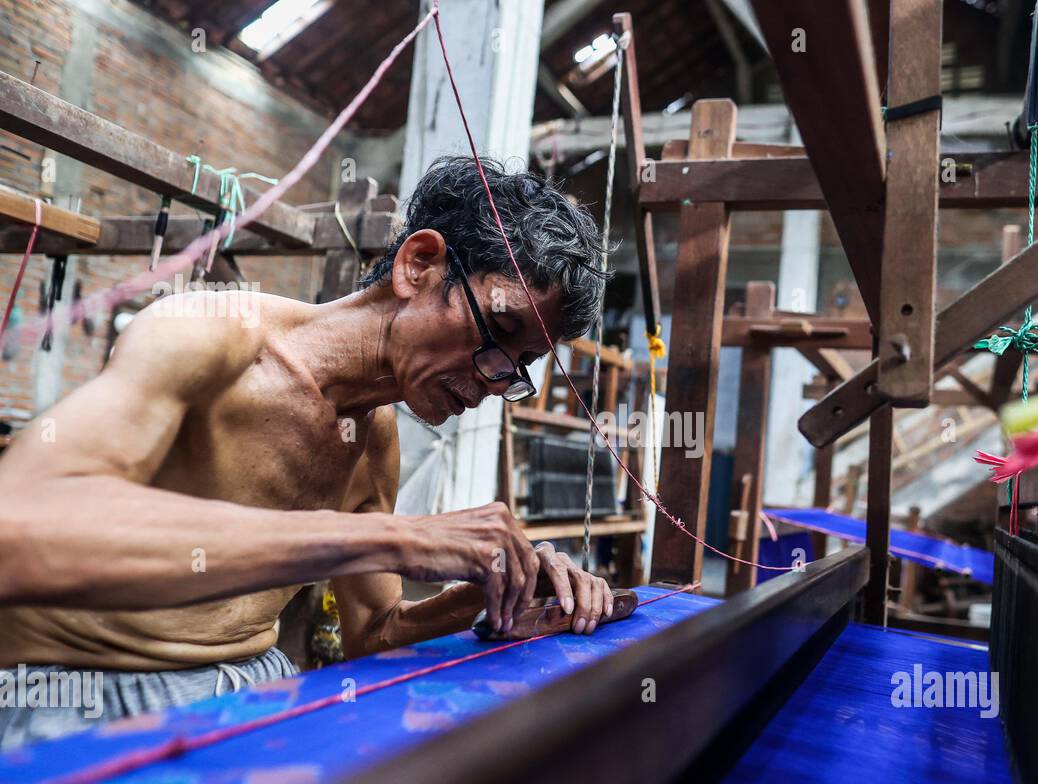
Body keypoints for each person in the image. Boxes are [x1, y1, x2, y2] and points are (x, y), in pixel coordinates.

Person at [0, 157, 614, 748]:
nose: (493, 378)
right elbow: (20, 527)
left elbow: (373, 634)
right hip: (76, 695)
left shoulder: (373, 441)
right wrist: (397, 539)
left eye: (520, 365)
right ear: (419, 263)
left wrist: (495, 589)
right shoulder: (214, 337)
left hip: (250, 694)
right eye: (499, 335)